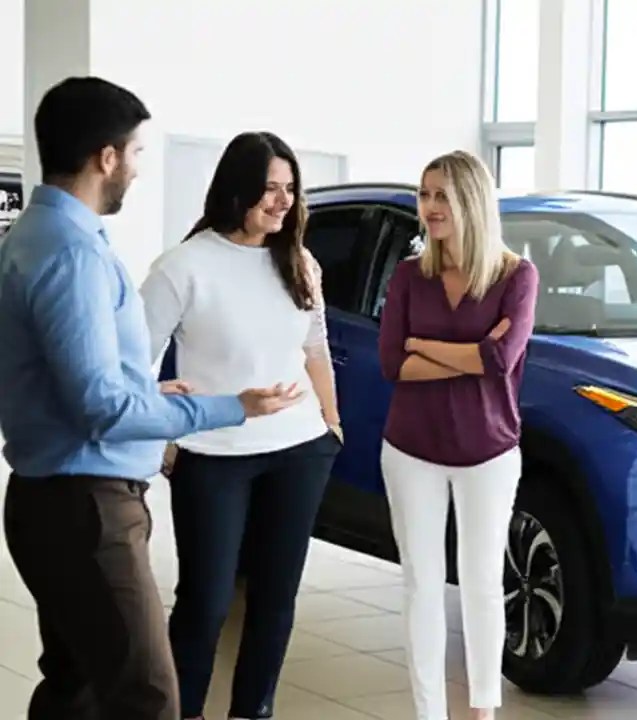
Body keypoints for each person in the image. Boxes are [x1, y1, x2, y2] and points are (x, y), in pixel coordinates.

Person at [0, 77, 303, 720]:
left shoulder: (34, 238)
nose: (137, 170)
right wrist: (230, 406)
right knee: (148, 698)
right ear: (106, 156)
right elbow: (102, 409)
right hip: (86, 507)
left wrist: (144, 388)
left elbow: (81, 382)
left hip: (55, 497)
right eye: (135, 154)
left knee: (76, 690)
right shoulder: (72, 253)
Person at [138, 131, 343, 720]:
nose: (282, 202)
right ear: (235, 192)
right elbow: (132, 364)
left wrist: (332, 423)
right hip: (213, 454)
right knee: (203, 604)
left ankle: (252, 712)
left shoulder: (300, 262)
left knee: (276, 602)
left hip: (300, 451)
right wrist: (165, 437)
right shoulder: (183, 266)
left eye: (289, 189)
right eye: (269, 190)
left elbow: (316, 347)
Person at [377, 150, 538, 720]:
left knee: (481, 583)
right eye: (425, 195)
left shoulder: (517, 277)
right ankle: (428, 714)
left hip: (488, 450)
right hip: (411, 449)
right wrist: (469, 354)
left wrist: (427, 346)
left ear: (472, 199)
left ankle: (483, 709)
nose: (430, 207)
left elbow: (501, 360)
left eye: (442, 195)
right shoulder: (407, 276)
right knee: (421, 584)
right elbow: (392, 365)